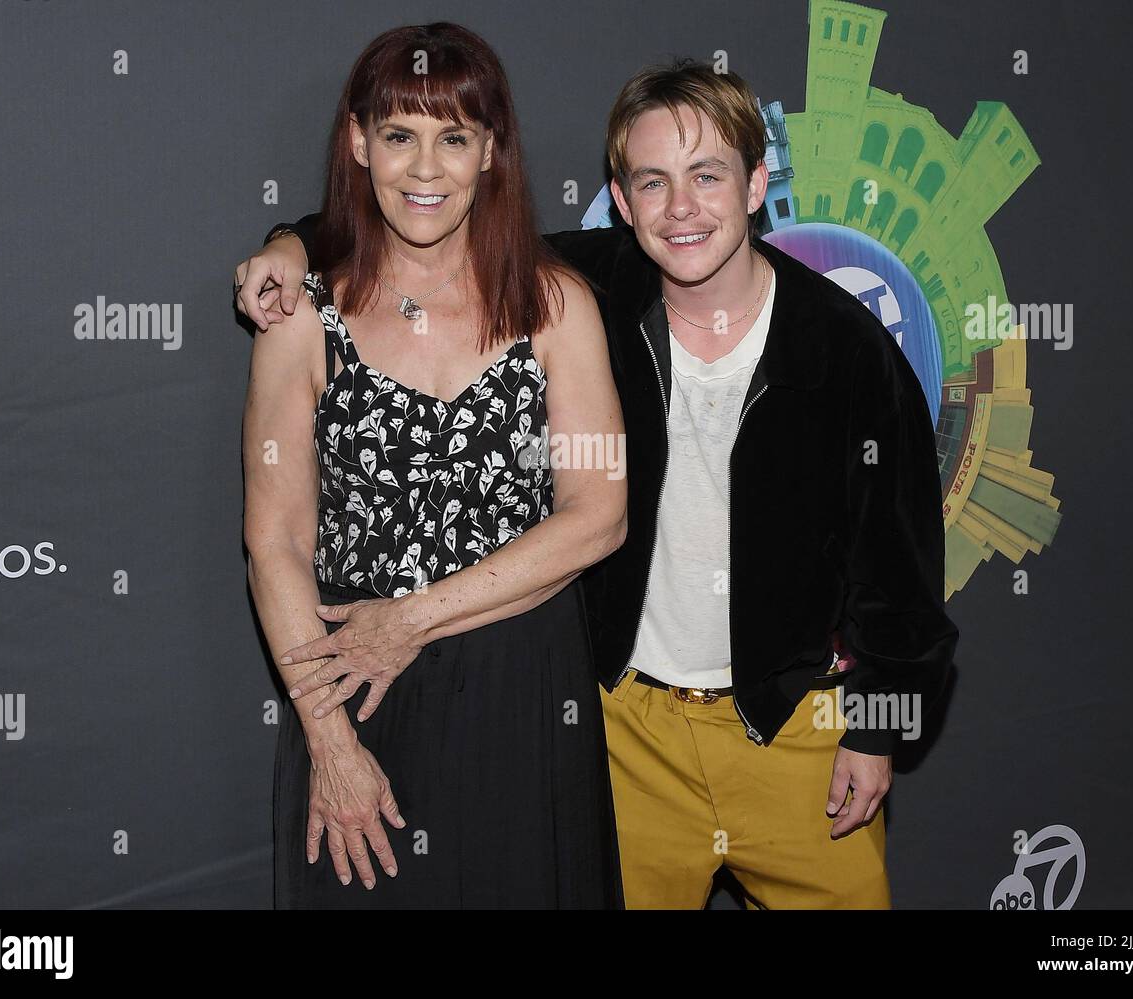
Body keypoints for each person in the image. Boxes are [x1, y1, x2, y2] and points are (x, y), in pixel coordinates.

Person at [239, 60, 958, 909]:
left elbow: (901, 564)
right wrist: (293, 241)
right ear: (621, 201)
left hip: (793, 728)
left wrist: (876, 727)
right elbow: (416, 215)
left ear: (758, 183)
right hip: (626, 736)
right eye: (652, 182)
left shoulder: (850, 352)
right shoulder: (592, 286)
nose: (680, 208)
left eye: (707, 176)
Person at [240, 22, 626, 909]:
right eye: (400, 135)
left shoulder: (554, 304)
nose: (425, 168)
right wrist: (329, 743)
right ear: (357, 142)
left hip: (524, 696)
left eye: (453, 138)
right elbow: (276, 543)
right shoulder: (300, 319)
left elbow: (599, 513)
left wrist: (410, 619)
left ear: (490, 152)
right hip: (351, 701)